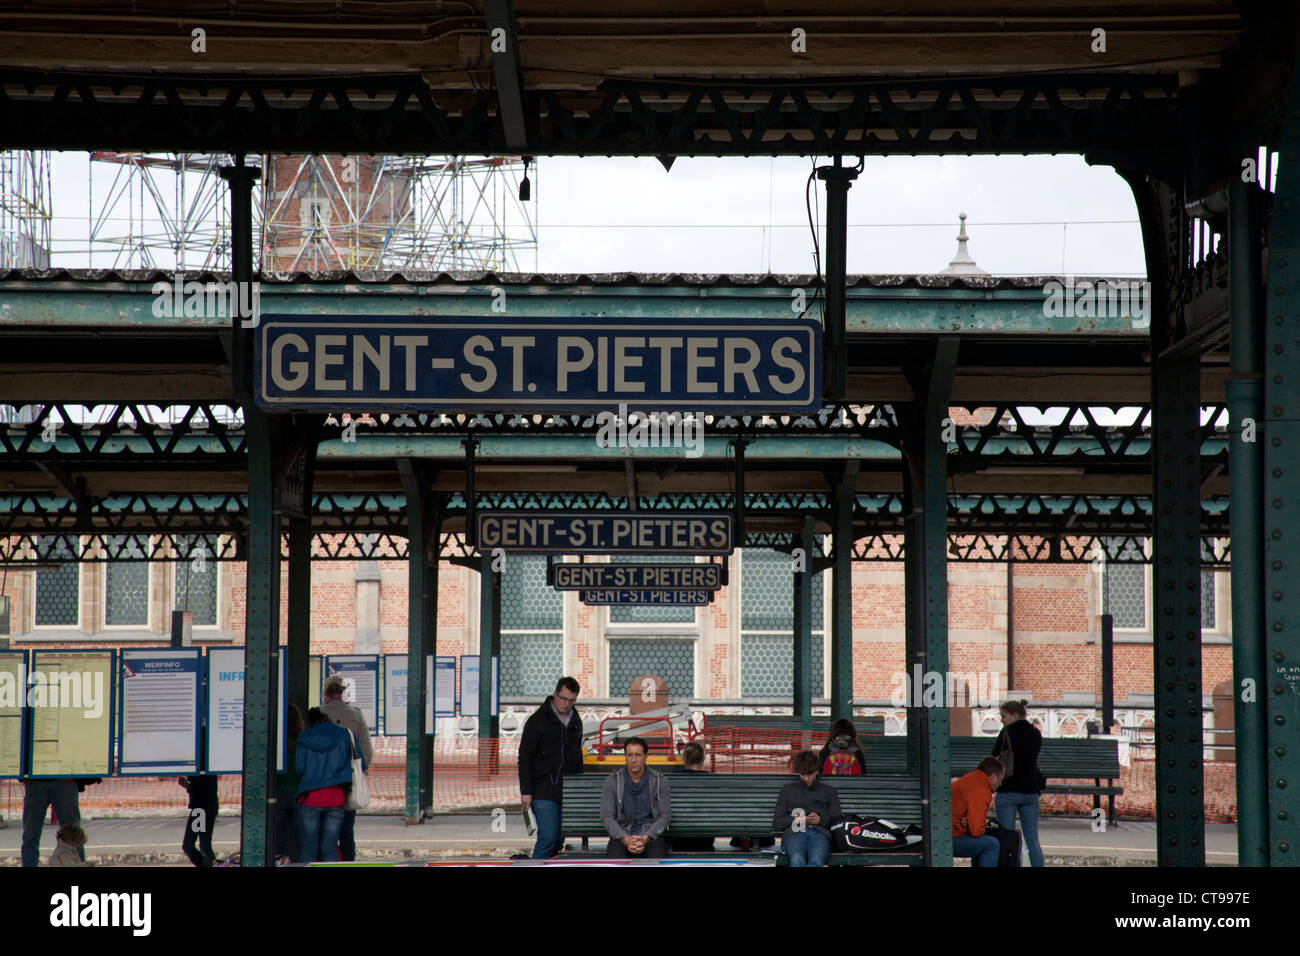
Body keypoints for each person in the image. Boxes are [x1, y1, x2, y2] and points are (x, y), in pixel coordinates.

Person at [519, 676, 584, 859]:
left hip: (568, 790)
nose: (567, 704)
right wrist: (526, 791)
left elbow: (577, 755)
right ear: (555, 694)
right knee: (547, 837)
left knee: (557, 841)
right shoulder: (537, 721)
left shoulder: (575, 720)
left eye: (572, 700)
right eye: (563, 699)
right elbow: (525, 757)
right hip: (543, 789)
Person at [320, 675, 373, 862]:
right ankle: (348, 862)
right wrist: (361, 771)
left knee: (325, 831)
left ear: (325, 692)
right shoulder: (356, 715)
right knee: (346, 832)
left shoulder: (317, 714)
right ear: (343, 692)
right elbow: (366, 751)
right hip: (348, 781)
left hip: (322, 782)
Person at [296, 706, 357, 863]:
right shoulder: (344, 735)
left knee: (309, 847)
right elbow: (358, 764)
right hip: (336, 797)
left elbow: (300, 768)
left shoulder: (303, 737)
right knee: (330, 848)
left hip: (310, 798)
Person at [992, 699, 1045, 867]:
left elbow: (994, 756)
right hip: (1030, 791)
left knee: (1008, 839)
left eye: (1004, 716)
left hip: (1008, 791)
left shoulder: (1007, 732)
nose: (1002, 720)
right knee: (1033, 840)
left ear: (1015, 715)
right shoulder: (1035, 733)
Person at [601, 737, 671, 858]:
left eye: (638, 755)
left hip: (651, 835)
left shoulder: (659, 780)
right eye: (629, 755)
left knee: (657, 858)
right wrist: (624, 838)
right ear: (625, 757)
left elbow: (665, 816)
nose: (633, 760)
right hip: (621, 835)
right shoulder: (612, 781)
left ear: (645, 756)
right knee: (615, 860)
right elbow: (607, 816)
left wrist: (646, 837)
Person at [773, 750, 841, 867]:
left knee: (816, 858)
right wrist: (794, 819)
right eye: (802, 774)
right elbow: (777, 822)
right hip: (794, 832)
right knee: (797, 858)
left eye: (809, 774)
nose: (805, 778)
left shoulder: (829, 791)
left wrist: (821, 820)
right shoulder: (787, 790)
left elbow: (838, 819)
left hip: (820, 833)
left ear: (817, 771)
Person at [952, 756, 1005, 867]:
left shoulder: (972, 779)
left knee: (982, 842)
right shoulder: (981, 789)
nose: (1000, 784)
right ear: (994, 777)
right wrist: (971, 824)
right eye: (1001, 779)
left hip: (942, 833)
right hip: (950, 838)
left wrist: (970, 821)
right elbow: (976, 830)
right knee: (991, 844)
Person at [21, 777, 82, 868]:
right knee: (30, 834)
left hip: (63, 780)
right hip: (36, 780)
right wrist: (22, 776)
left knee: (74, 835)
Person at [275, 703, 307, 864]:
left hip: (278, 793)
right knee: (302, 842)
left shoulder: (276, 740)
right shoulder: (303, 739)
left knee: (278, 844)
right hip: (299, 793)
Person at [669, 742, 714, 852]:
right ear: (703, 759)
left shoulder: (671, 778)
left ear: (684, 758)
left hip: (678, 837)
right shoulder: (712, 779)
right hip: (705, 837)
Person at [179, 768, 220, 867]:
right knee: (189, 846)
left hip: (204, 808)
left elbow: (204, 788)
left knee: (204, 846)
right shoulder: (198, 766)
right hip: (199, 808)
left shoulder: (205, 766)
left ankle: (211, 864)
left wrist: (188, 786)